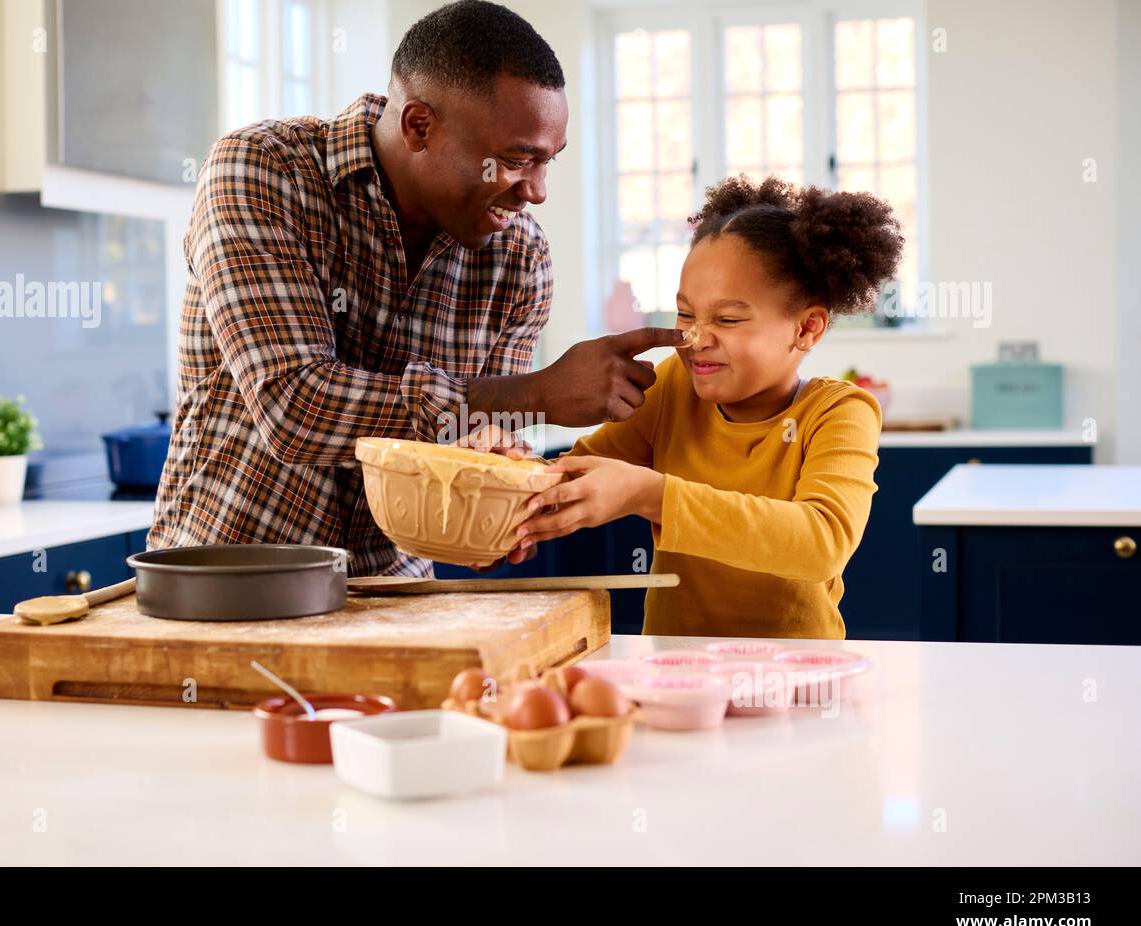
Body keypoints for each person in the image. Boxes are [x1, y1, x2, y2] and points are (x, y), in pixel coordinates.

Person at [147, 0, 680, 575]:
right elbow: (293, 407)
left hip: (398, 596)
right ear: (419, 126)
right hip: (226, 583)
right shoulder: (264, 171)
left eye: (547, 161)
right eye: (515, 160)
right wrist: (536, 393)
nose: (537, 191)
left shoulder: (520, 257)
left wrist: (500, 505)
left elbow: (471, 450)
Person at [514, 176, 905, 638]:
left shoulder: (839, 412)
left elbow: (820, 543)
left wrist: (652, 495)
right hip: (675, 670)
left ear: (806, 329)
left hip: (796, 676)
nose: (695, 338)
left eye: (728, 319)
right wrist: (509, 473)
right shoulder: (673, 389)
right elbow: (576, 473)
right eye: (685, 314)